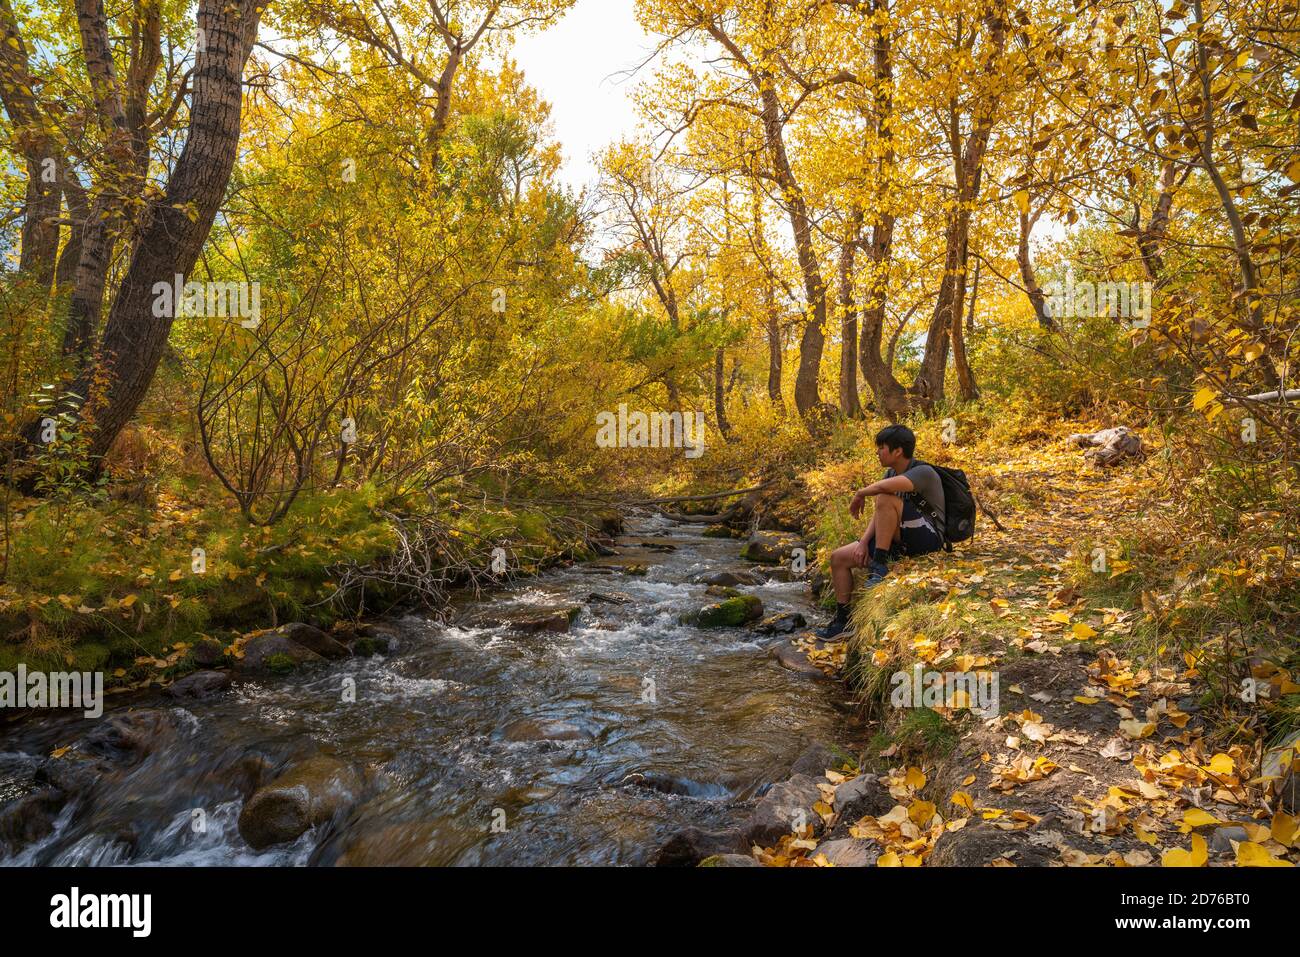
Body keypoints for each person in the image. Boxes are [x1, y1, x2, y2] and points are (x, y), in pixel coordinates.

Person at [817, 425, 947, 639]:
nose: (877, 452)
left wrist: (861, 492)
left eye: (881, 447)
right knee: (838, 558)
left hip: (927, 539)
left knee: (884, 496)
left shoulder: (923, 472)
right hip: (899, 540)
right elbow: (881, 513)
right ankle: (843, 622)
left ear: (898, 451)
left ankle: (879, 566)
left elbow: (883, 498)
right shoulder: (889, 473)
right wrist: (863, 542)